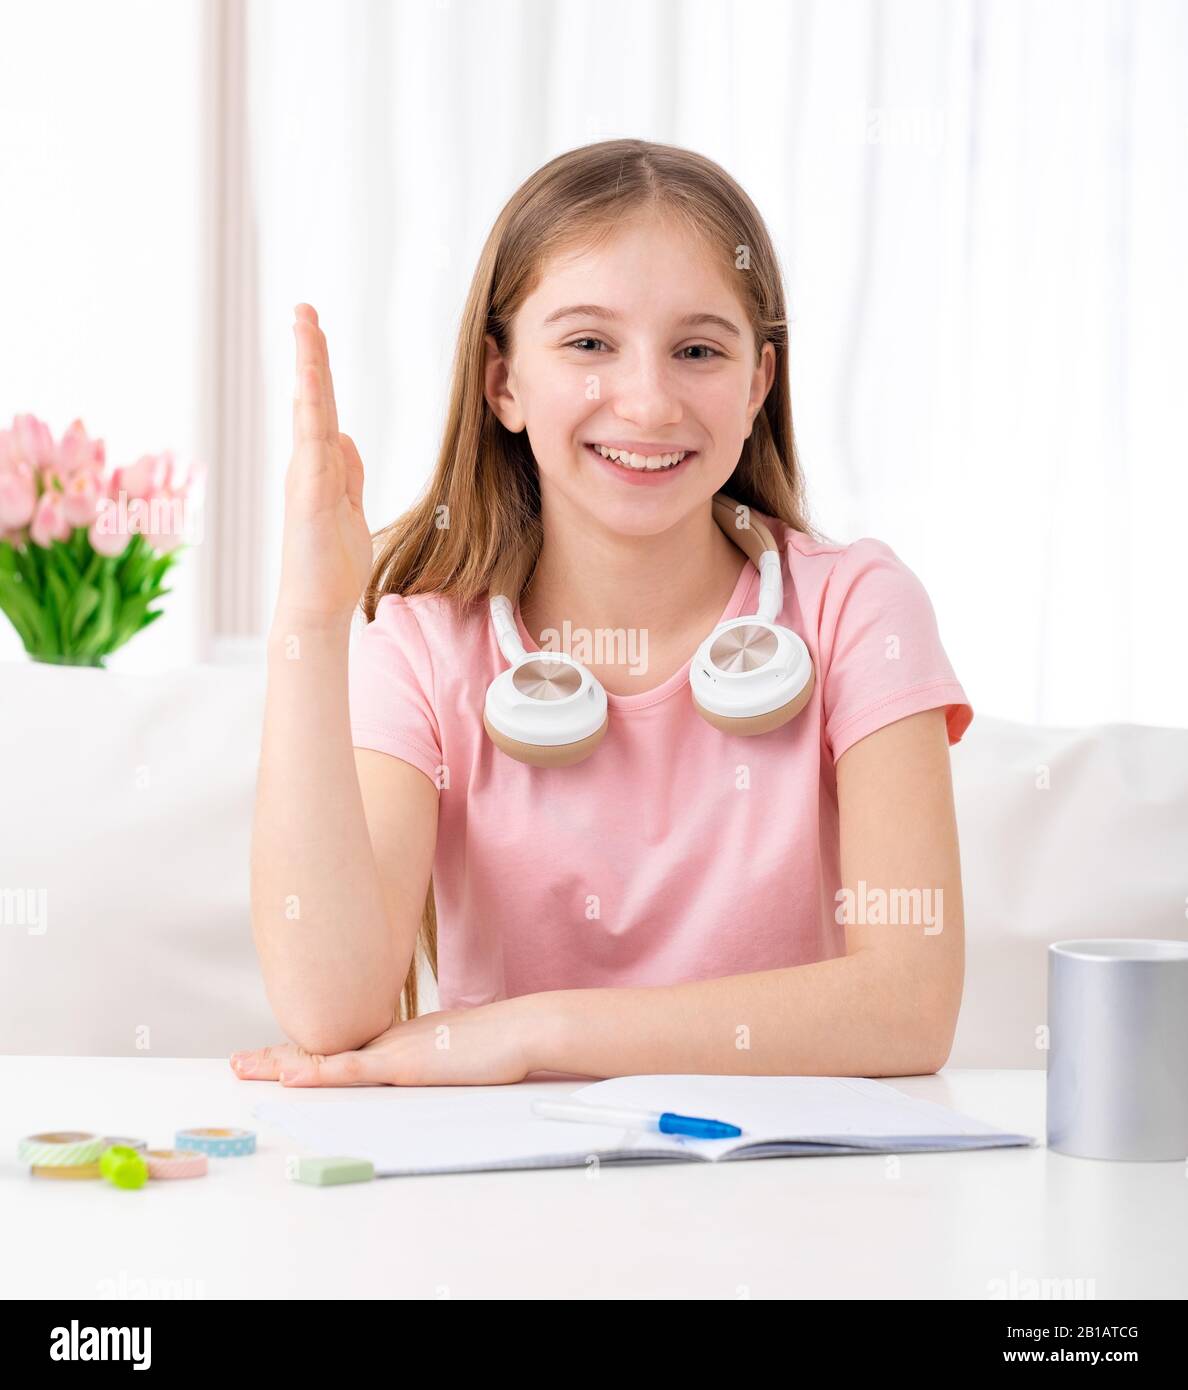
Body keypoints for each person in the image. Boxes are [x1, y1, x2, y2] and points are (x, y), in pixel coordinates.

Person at [235, 139, 972, 1089]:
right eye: (588, 344)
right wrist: (309, 618)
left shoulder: (859, 609)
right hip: (513, 1209)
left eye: (699, 350)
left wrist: (532, 1034)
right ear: (503, 383)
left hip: (790, 1208)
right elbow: (330, 1010)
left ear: (758, 385)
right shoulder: (426, 645)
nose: (648, 401)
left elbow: (909, 1007)